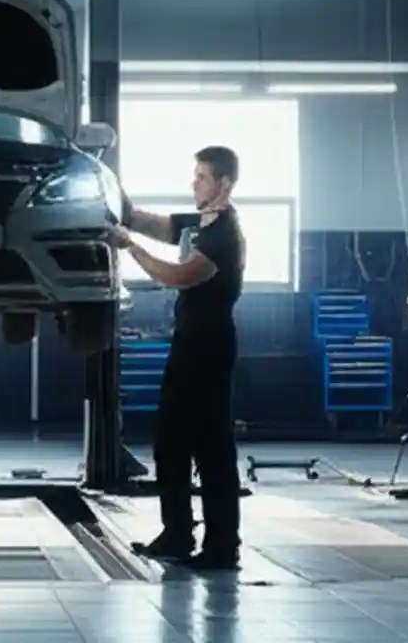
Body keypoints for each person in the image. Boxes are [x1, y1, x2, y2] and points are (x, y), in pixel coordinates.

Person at [107, 145, 246, 571]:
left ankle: (221, 546)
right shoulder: (201, 223)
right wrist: (118, 204)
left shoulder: (223, 235)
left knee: (211, 446)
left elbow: (177, 276)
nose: (194, 183)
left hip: (209, 346)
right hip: (189, 342)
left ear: (223, 184)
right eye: (195, 175)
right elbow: (156, 223)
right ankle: (178, 534)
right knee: (171, 441)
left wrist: (130, 247)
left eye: (202, 177)